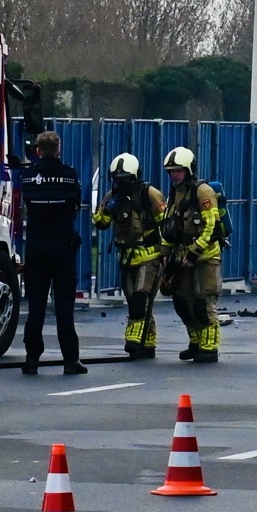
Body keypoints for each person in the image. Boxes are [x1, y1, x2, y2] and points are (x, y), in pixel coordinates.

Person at [20, 130, 87, 376]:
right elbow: (75, 205)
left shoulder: (27, 177)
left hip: (36, 246)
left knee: (36, 305)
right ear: (58, 149)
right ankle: (70, 360)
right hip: (61, 246)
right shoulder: (69, 176)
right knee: (64, 306)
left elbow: (26, 204)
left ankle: (31, 359)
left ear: (38, 150)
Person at [92, 153, 166, 359]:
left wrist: (167, 253)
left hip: (149, 256)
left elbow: (166, 225)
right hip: (126, 257)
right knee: (134, 299)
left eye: (124, 179)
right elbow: (100, 223)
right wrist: (108, 209)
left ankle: (133, 340)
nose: (120, 183)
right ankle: (147, 343)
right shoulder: (111, 196)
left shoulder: (149, 195)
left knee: (139, 300)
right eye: (117, 179)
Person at [160, 146, 224, 364]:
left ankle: (209, 347)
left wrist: (195, 252)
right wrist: (165, 254)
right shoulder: (174, 193)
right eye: (170, 171)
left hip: (205, 256)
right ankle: (195, 342)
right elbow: (170, 227)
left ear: (189, 170)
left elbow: (210, 225)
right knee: (182, 301)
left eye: (178, 170)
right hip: (181, 255)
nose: (174, 174)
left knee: (203, 301)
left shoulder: (203, 191)